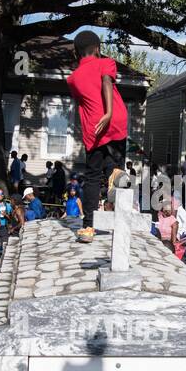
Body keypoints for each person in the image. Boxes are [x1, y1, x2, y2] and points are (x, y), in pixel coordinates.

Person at [65, 31, 128, 243]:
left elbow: (89, 96)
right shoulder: (106, 62)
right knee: (115, 168)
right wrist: (109, 112)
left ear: (76, 53)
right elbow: (106, 82)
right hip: (116, 121)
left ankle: (88, 227)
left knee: (92, 176)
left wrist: (102, 115)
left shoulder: (72, 79)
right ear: (98, 49)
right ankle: (115, 173)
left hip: (95, 127)